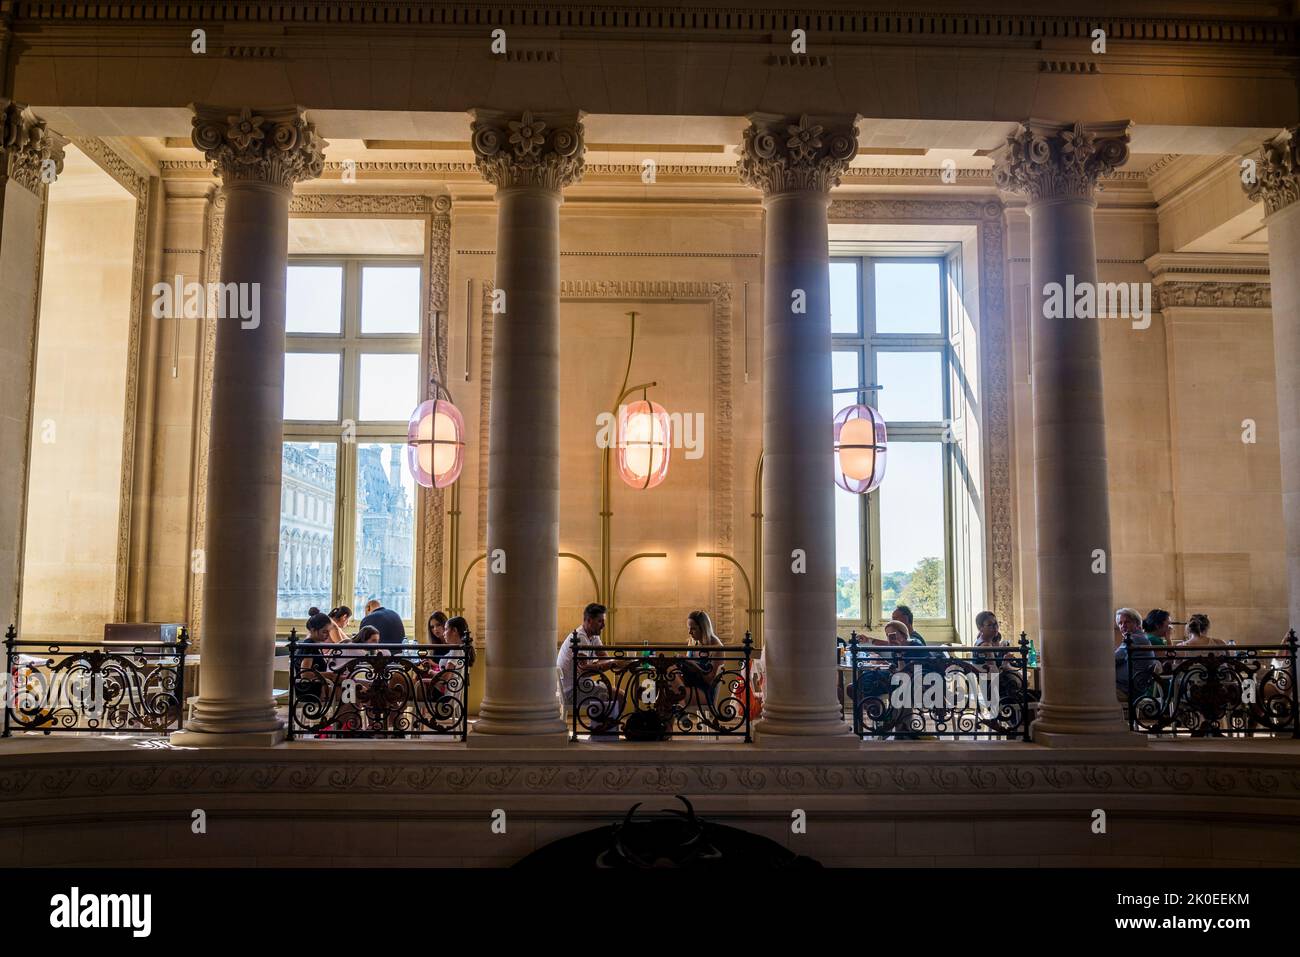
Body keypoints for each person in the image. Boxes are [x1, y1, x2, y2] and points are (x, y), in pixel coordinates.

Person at [555, 603, 632, 730]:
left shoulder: (593, 636)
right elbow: (584, 670)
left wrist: (611, 662)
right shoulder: (580, 637)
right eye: (600, 621)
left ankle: (606, 727)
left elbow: (605, 657)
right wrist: (613, 663)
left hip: (582, 686)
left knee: (617, 694)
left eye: (603, 621)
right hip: (572, 692)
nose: (604, 625)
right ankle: (607, 728)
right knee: (619, 695)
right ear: (589, 621)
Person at [678, 610, 725, 707]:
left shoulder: (716, 647)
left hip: (705, 691)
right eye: (689, 628)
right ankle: (681, 716)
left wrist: (692, 664)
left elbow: (710, 680)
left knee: (672, 693)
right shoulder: (693, 643)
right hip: (689, 685)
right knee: (668, 674)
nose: (689, 632)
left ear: (703, 628)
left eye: (693, 629)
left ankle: (680, 714)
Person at [1114, 607, 1159, 699]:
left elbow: (1113, 659)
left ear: (1137, 623)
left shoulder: (1135, 639)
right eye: (1120, 623)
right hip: (1127, 687)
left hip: (1126, 690)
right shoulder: (1137, 637)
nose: (1123, 626)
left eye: (1127, 622)